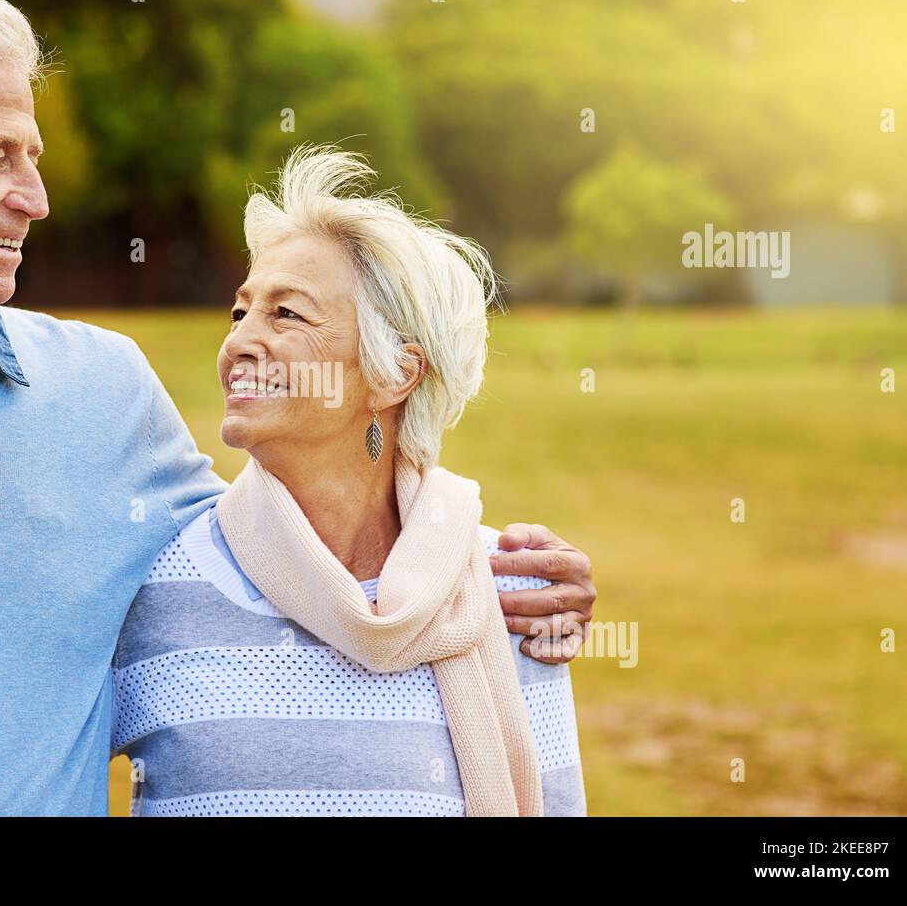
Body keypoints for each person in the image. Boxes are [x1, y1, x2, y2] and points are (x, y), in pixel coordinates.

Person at [0, 0, 595, 817]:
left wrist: (470, 563)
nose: (38, 196)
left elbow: (277, 542)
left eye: (34, 154)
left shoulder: (104, 395)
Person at [111, 147, 584, 816]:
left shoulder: (513, 592)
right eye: (240, 311)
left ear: (395, 374)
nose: (242, 339)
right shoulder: (150, 580)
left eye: (287, 314)